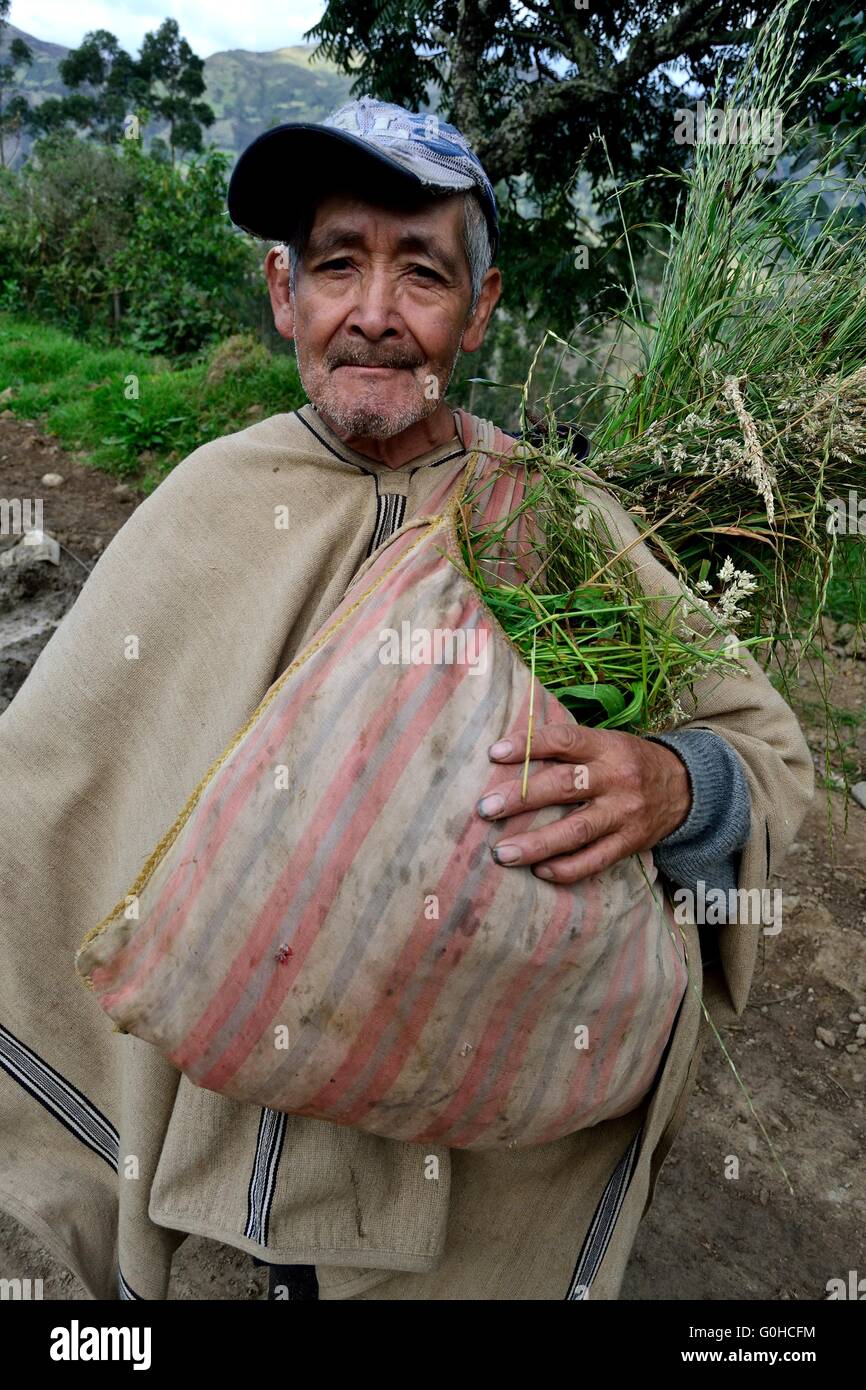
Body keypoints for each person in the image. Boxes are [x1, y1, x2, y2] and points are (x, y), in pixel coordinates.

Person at [0, 98, 812, 1302]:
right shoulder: (209, 503)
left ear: (476, 311)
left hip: (457, 1160)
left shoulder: (558, 520)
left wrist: (674, 781)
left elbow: (765, 751)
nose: (373, 313)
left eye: (420, 273)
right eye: (337, 265)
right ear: (285, 296)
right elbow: (52, 787)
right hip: (205, 1130)